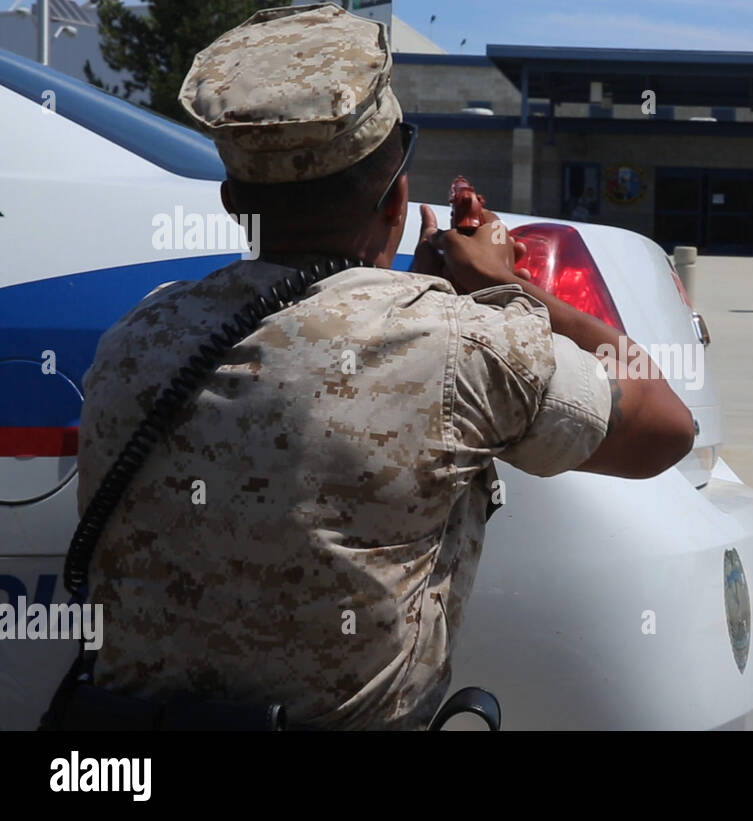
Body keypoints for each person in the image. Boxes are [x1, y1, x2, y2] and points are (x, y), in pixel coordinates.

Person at [73, 2, 695, 730]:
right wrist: (504, 288)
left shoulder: (136, 336)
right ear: (399, 199)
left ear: (231, 203)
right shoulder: (462, 345)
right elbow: (664, 425)